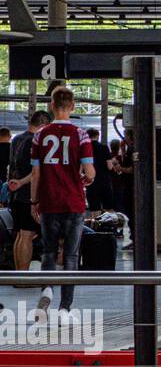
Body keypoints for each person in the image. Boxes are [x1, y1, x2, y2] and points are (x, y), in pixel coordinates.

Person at [28, 87, 94, 315]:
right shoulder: (81, 134)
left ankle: (47, 289)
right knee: (71, 255)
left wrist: (34, 201)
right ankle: (65, 308)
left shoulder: (40, 135)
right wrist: (86, 178)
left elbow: (35, 174)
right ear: (73, 106)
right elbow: (90, 171)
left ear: (52, 106)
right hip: (74, 201)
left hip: (48, 200)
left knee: (48, 251)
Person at [7, 110, 52, 278]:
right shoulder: (35, 141)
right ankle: (24, 277)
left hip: (16, 193)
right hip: (28, 194)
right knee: (27, 235)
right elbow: (36, 173)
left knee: (20, 234)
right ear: (43, 125)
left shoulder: (17, 139)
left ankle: (19, 275)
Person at [84, 127, 114, 212]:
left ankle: (95, 225)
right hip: (105, 182)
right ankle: (107, 224)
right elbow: (110, 166)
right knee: (108, 210)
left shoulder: (85, 149)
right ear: (97, 136)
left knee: (95, 210)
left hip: (91, 183)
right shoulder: (104, 148)